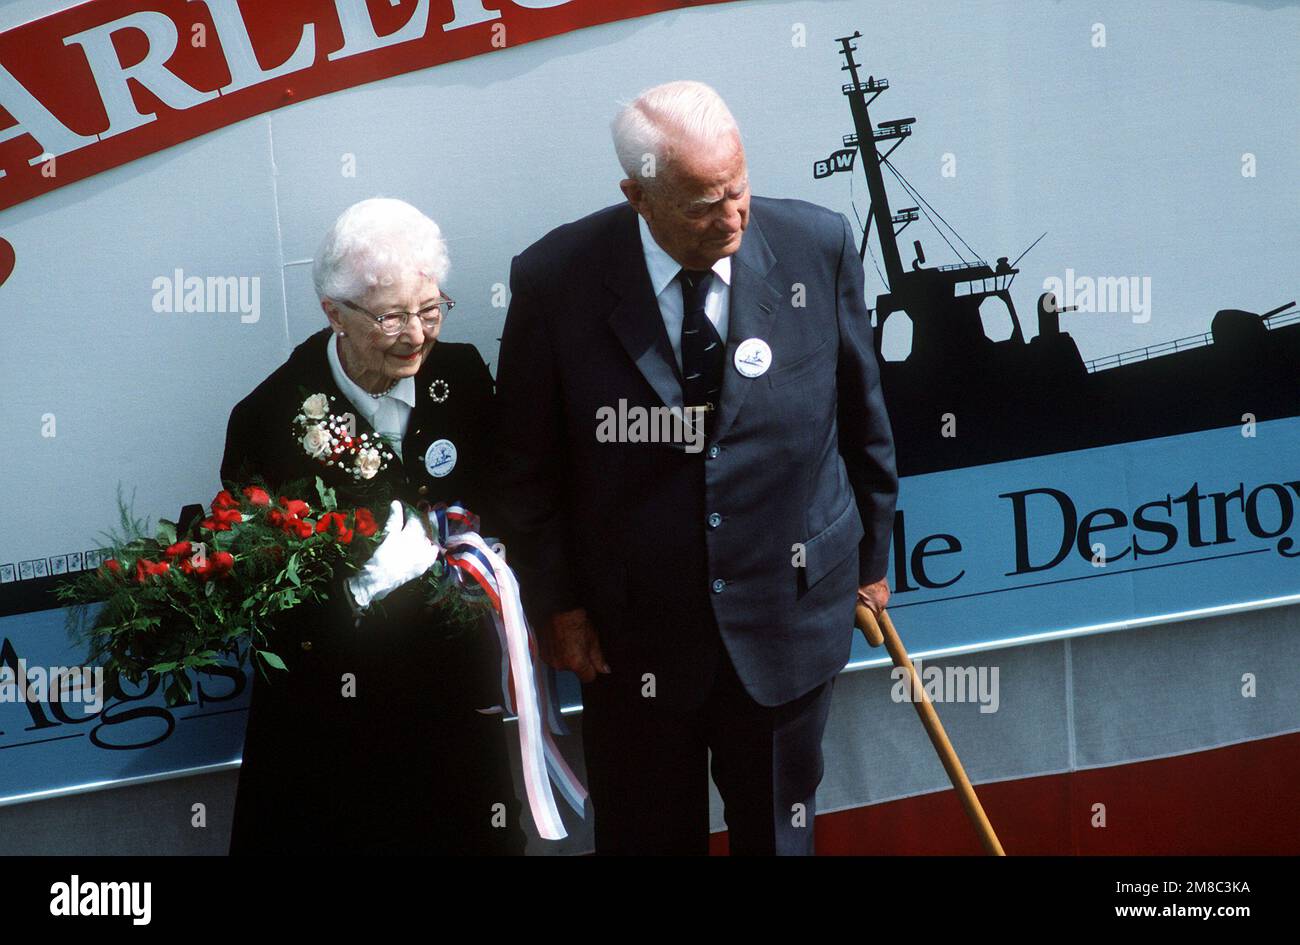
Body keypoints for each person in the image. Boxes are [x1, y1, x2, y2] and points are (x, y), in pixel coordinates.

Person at [494, 81, 898, 855]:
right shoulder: (556, 280)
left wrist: (871, 561)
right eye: (703, 204)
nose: (732, 218)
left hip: (786, 622)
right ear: (637, 195)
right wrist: (560, 606)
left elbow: (864, 417)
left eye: (738, 190)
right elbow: (526, 467)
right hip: (631, 641)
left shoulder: (817, 245)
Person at [220, 197, 524, 855]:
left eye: (431, 308)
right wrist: (358, 587)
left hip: (452, 704)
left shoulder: (463, 377)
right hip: (337, 726)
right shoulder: (268, 420)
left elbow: (508, 498)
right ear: (334, 312)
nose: (416, 334)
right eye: (390, 317)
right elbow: (266, 594)